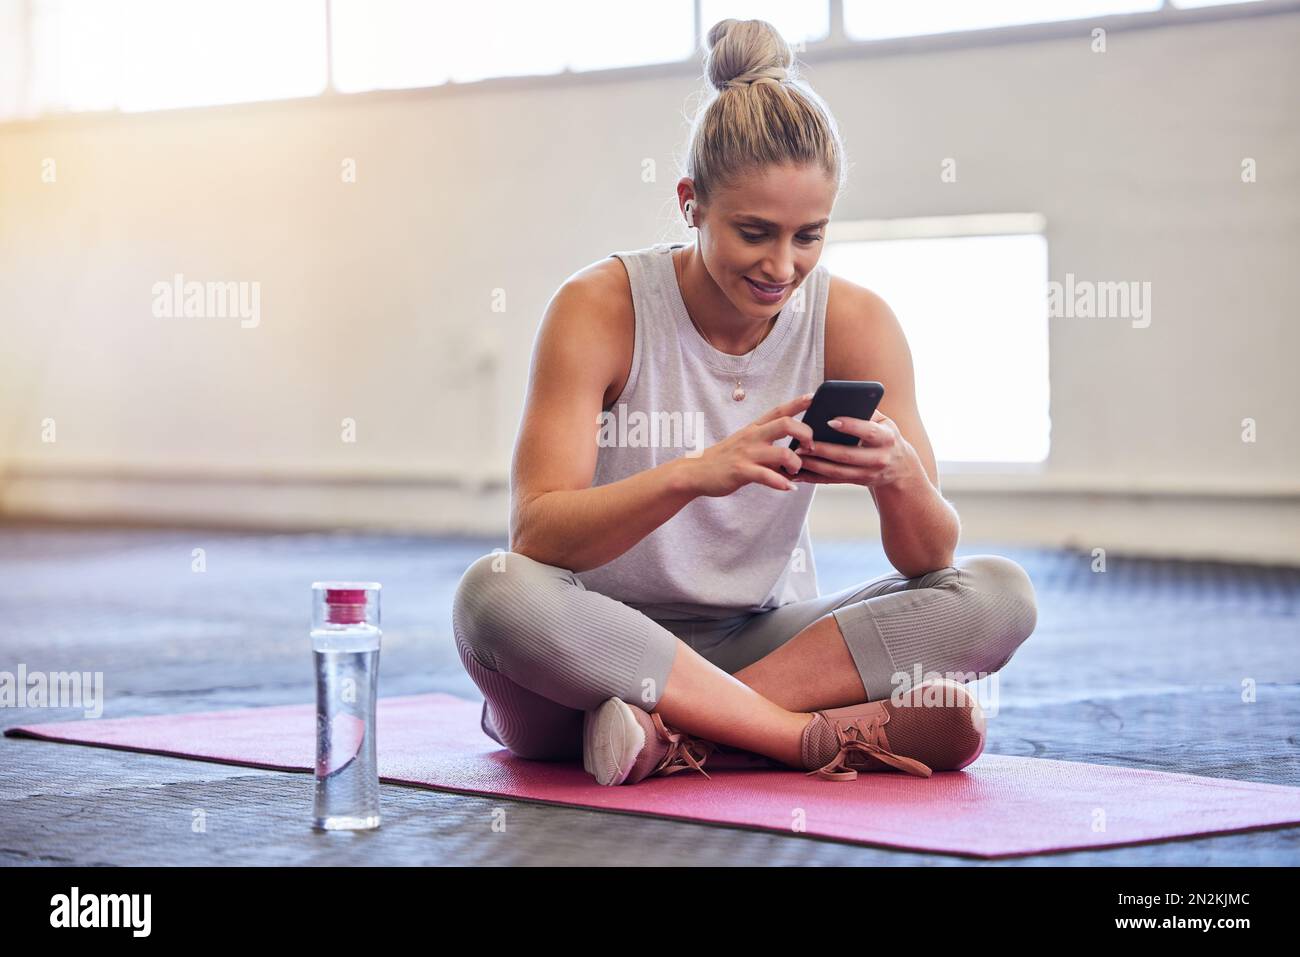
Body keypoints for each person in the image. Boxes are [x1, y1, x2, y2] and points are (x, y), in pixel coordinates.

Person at [452, 18, 1038, 786]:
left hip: (758, 641)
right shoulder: (599, 306)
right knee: (494, 592)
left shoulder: (856, 321)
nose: (781, 266)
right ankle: (800, 739)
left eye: (809, 236)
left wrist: (901, 480)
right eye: (754, 232)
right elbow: (537, 533)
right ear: (691, 202)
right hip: (590, 653)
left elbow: (928, 562)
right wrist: (696, 472)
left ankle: (673, 736)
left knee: (998, 595)